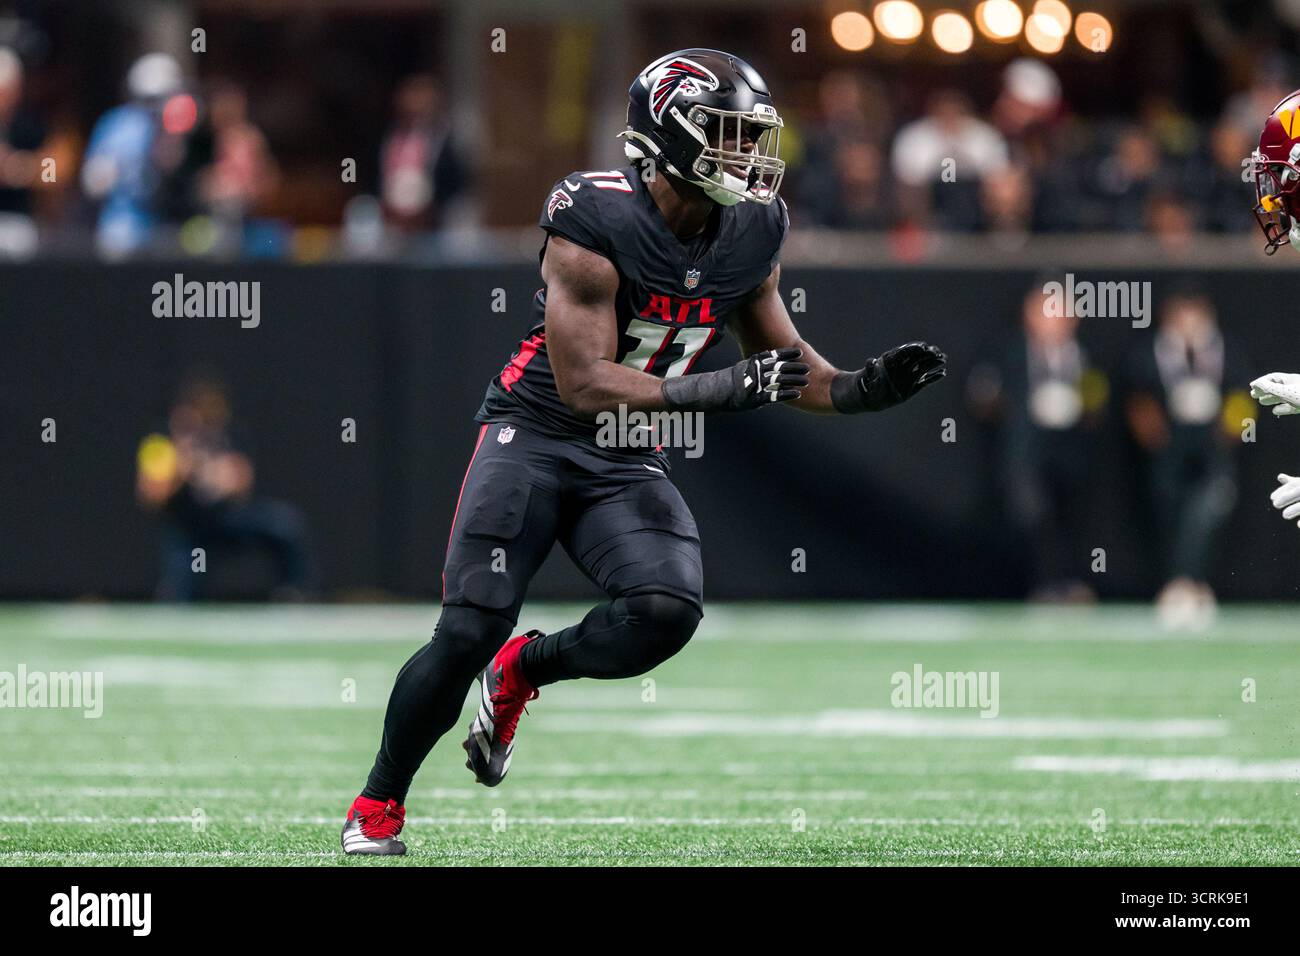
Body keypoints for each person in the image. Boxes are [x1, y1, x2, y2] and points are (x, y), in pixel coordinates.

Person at [341, 49, 947, 856]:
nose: (749, 157)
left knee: (666, 612)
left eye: (754, 138)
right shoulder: (594, 217)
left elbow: (790, 366)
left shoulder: (753, 228)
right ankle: (378, 802)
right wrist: (721, 389)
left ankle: (525, 671)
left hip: (626, 449)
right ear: (668, 134)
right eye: (729, 135)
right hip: (537, 432)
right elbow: (585, 382)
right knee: (467, 630)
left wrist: (864, 388)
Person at [967, 284, 1106, 602]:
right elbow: (982, 392)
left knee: (1070, 518)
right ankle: (1044, 584)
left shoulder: (1083, 353)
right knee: (1032, 514)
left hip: (1069, 450)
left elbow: (1098, 397)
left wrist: (1082, 403)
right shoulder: (1008, 349)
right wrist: (1011, 406)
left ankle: (1068, 584)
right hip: (1026, 451)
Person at [1125, 289, 1247, 628]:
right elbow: (1138, 398)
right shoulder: (1151, 352)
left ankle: (1191, 581)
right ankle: (1178, 584)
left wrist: (1232, 430)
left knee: (1209, 510)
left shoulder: (1226, 350)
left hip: (1213, 448)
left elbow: (1244, 395)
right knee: (1170, 511)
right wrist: (1152, 434)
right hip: (1169, 449)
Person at [136, 374, 314, 601]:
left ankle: (296, 592)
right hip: (189, 529)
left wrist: (217, 477)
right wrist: (180, 468)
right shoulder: (162, 441)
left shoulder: (228, 434)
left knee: (284, 523)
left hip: (227, 520)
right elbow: (151, 497)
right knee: (180, 593)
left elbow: (241, 484)